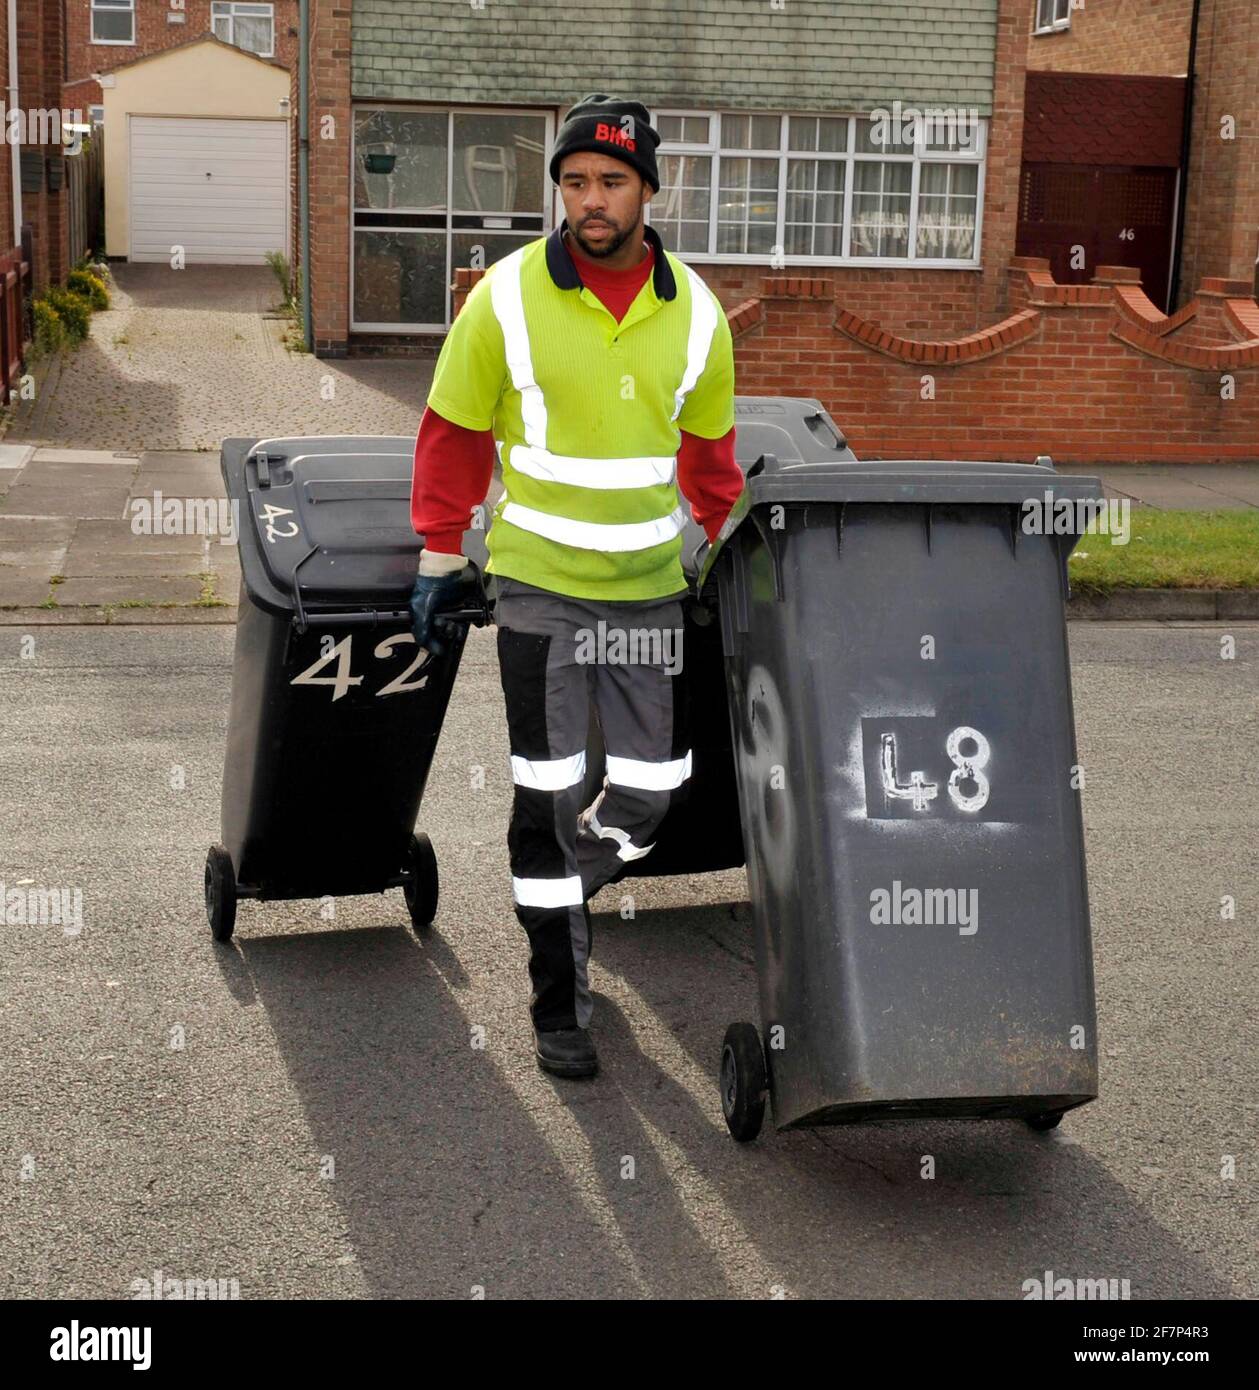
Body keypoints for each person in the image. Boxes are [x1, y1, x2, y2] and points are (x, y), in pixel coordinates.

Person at [409, 94, 743, 1078]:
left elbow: (710, 464)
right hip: (535, 588)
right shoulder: (505, 298)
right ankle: (558, 1003)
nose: (588, 201)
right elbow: (455, 433)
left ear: (647, 187)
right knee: (546, 792)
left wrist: (724, 551)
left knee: (650, 789)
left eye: (608, 182)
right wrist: (439, 553)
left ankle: (555, 882)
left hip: (644, 589)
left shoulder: (696, 316)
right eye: (572, 183)